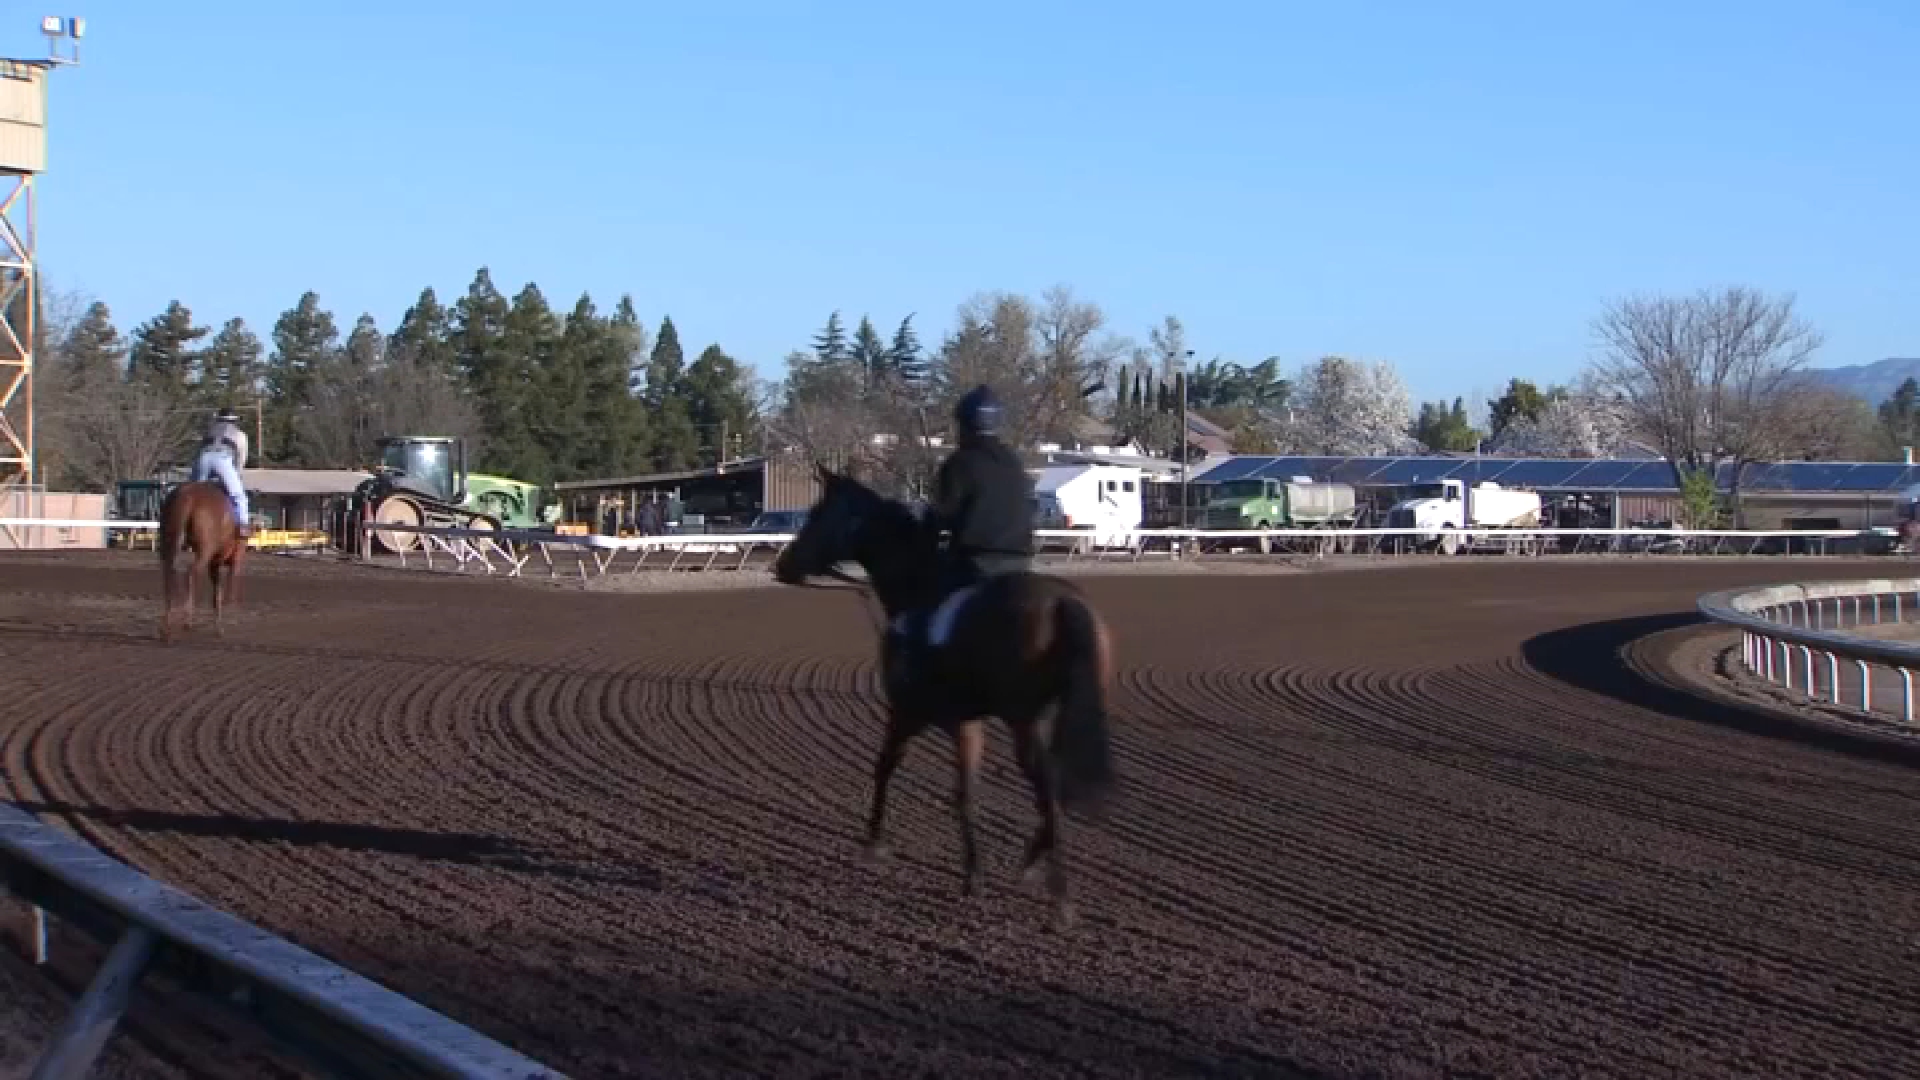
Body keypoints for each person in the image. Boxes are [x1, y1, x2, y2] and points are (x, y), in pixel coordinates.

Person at [891, 384, 1035, 695]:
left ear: (964, 424)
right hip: (1023, 562)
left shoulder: (959, 463)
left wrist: (925, 547)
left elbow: (940, 518)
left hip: (976, 564)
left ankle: (920, 676)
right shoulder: (1014, 461)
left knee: (920, 614)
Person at [191, 408, 252, 538]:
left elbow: (196, 453)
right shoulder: (240, 434)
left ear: (218, 419)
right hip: (222, 460)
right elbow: (241, 459)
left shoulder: (208, 432)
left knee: (193, 492)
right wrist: (237, 474)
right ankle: (243, 526)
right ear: (234, 421)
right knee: (239, 496)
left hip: (203, 459)